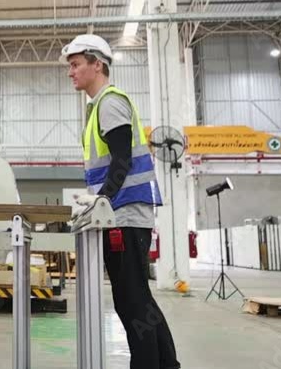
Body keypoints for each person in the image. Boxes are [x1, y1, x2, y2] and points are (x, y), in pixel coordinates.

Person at [62, 34, 180, 369]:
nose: (70, 72)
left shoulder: (110, 102)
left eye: (75, 65)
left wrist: (102, 201)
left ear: (96, 64)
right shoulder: (100, 105)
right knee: (137, 299)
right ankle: (167, 365)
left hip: (125, 214)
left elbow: (121, 160)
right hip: (121, 213)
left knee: (132, 301)